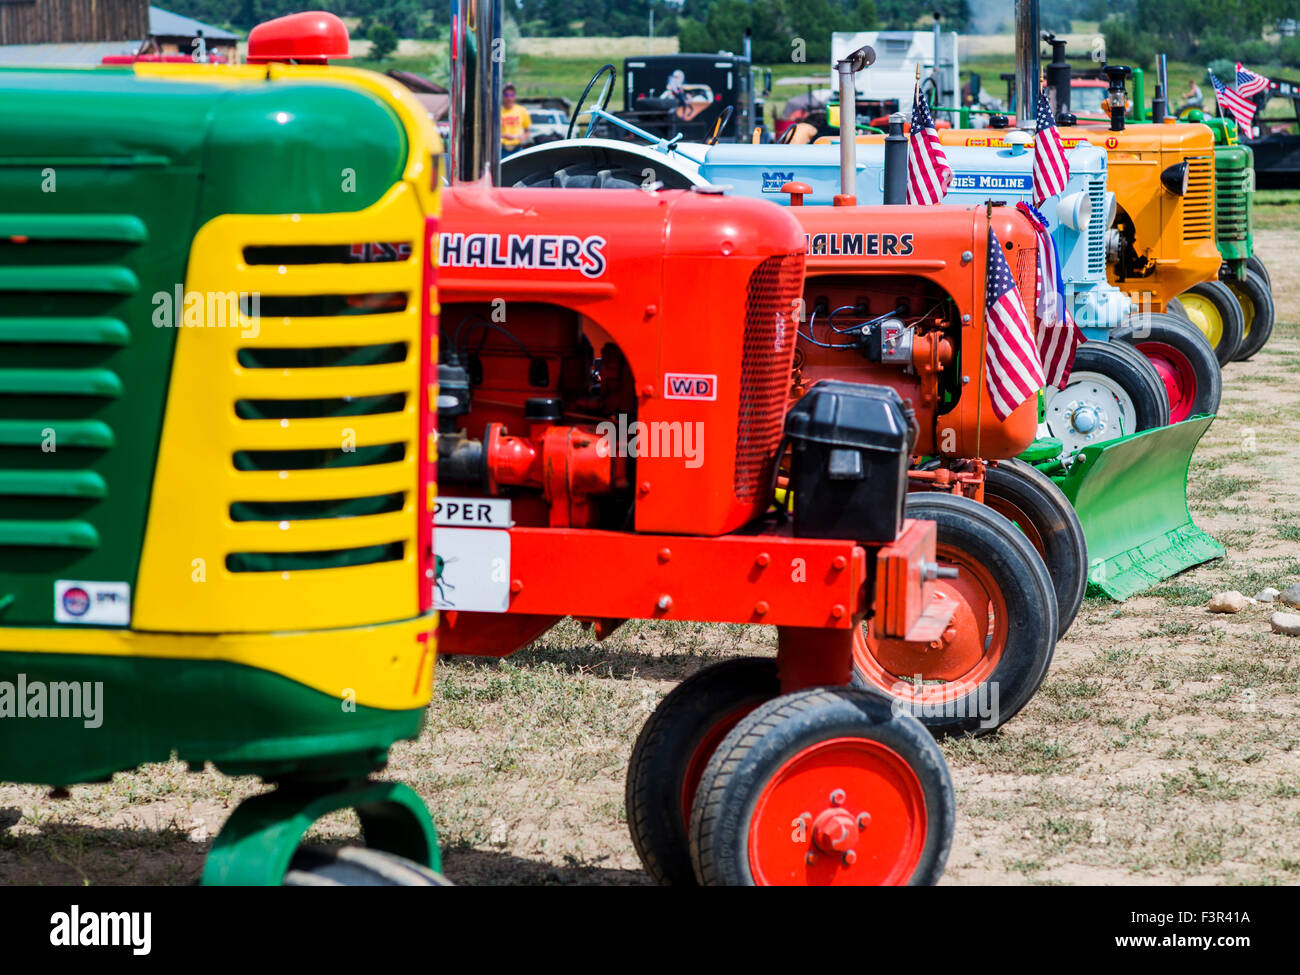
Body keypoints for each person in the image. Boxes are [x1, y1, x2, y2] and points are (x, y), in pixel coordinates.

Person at [501, 84, 531, 156]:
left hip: (517, 148)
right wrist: (504, 135)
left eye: (512, 95)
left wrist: (521, 137)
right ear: (503, 96)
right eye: (506, 95)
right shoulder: (497, 111)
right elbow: (491, 132)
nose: (509, 98)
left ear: (515, 96)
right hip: (502, 148)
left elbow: (527, 132)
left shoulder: (521, 110)